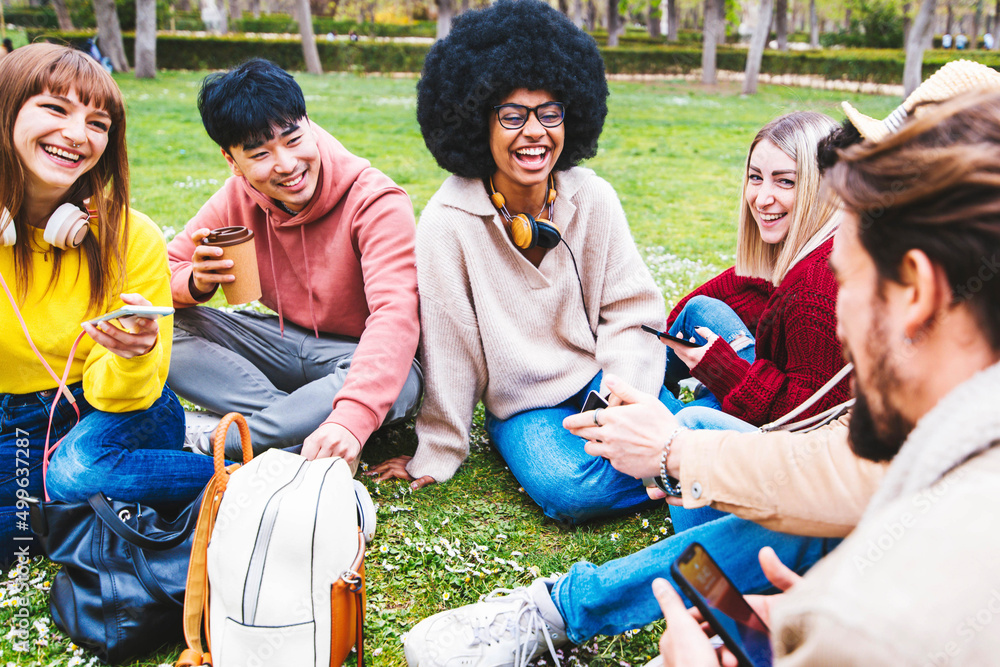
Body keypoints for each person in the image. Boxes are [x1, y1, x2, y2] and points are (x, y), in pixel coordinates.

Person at [653, 89, 1000, 667]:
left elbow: (816, 439)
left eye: (849, 278)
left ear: (915, 290)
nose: (839, 310)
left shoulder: (869, 633)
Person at [369, 0, 669, 525]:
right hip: (526, 410)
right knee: (570, 490)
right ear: (476, 121)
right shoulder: (447, 222)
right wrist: (436, 450)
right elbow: (451, 348)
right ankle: (691, 462)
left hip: (604, 381)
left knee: (653, 425)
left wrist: (624, 399)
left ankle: (682, 455)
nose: (535, 132)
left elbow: (630, 312)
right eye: (513, 115)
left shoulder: (593, 198)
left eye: (549, 113)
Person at [0, 44, 216, 567]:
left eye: (98, 123)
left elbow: (124, 393)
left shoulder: (129, 236)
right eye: (55, 108)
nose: (78, 135)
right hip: (13, 419)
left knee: (75, 475)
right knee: (20, 536)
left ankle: (250, 473)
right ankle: (148, 475)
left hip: (115, 407)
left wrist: (132, 355)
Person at [165, 59, 422, 465]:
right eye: (260, 153)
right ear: (232, 161)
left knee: (404, 381)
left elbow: (395, 316)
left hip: (357, 354)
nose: (286, 164)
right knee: (161, 327)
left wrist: (352, 418)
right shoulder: (237, 197)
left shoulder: (376, 201)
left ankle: (220, 439)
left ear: (308, 123)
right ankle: (293, 425)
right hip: (281, 345)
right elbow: (162, 272)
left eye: (292, 139)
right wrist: (193, 282)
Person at [659, 111, 849, 429]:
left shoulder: (816, 283)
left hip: (798, 440)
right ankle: (632, 391)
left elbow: (813, 420)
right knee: (699, 309)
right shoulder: (815, 246)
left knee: (689, 420)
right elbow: (742, 287)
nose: (761, 199)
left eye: (785, 181)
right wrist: (655, 338)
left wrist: (725, 371)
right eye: (756, 177)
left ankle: (645, 417)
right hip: (776, 391)